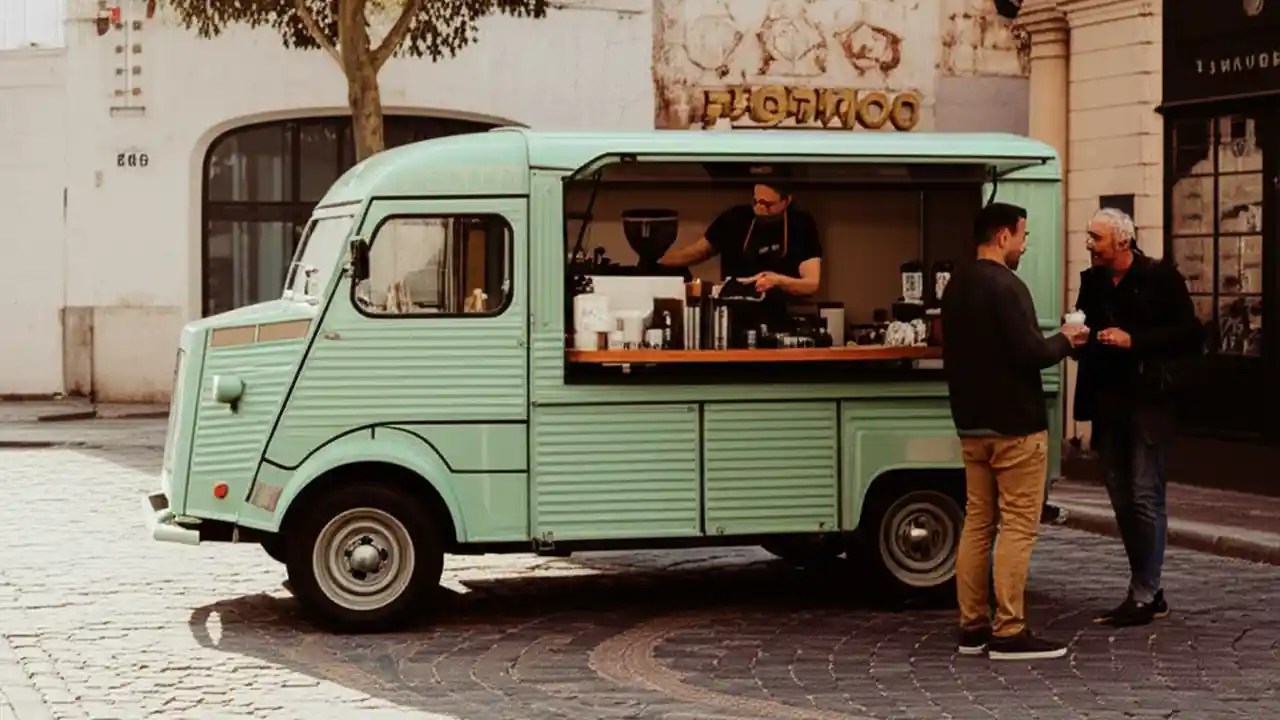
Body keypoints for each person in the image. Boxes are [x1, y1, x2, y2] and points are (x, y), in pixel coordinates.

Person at [941, 202, 1089, 661]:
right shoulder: (1008, 285)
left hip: (971, 423)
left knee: (978, 521)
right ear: (1003, 236)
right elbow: (1029, 353)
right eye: (1023, 235)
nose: (1025, 245)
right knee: (1019, 526)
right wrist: (1066, 338)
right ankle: (1009, 630)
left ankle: (972, 625)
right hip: (1014, 425)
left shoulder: (957, 285)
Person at [1072, 208, 1203, 628]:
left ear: (1123, 243)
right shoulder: (1092, 281)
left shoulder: (1160, 277)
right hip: (1107, 401)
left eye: (1096, 237)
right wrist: (1077, 338)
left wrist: (1135, 341)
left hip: (1150, 400)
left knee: (1146, 495)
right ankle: (1147, 585)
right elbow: (1087, 329)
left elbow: (1190, 334)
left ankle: (1145, 592)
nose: (1089, 244)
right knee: (1120, 495)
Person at [658, 179, 821, 328]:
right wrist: (656, 261)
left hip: (779, 322)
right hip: (729, 321)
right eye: (756, 202)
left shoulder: (801, 225)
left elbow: (811, 284)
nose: (759, 209)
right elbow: (697, 251)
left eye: (767, 204)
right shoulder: (734, 219)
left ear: (786, 201)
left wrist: (776, 280)